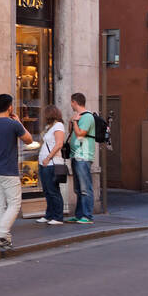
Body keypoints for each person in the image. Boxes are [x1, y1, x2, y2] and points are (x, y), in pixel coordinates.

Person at [0, 94, 33, 251]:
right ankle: (1, 233)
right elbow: (29, 140)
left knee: (0, 204)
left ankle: (5, 238)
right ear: (10, 107)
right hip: (9, 171)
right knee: (15, 204)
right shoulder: (13, 125)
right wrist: (19, 122)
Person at [65, 93, 96, 224]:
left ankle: (87, 216)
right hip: (76, 155)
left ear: (74, 102)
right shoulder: (78, 117)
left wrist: (75, 122)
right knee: (78, 189)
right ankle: (79, 215)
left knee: (85, 188)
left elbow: (80, 135)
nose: (71, 105)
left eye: (71, 102)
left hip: (83, 156)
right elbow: (71, 132)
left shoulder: (88, 117)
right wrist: (71, 122)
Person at [36, 104, 67, 225]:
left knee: (53, 190)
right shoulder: (49, 127)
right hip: (44, 163)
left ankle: (58, 217)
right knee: (47, 190)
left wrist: (48, 158)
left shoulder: (58, 126)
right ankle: (49, 215)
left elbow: (59, 144)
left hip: (51, 163)